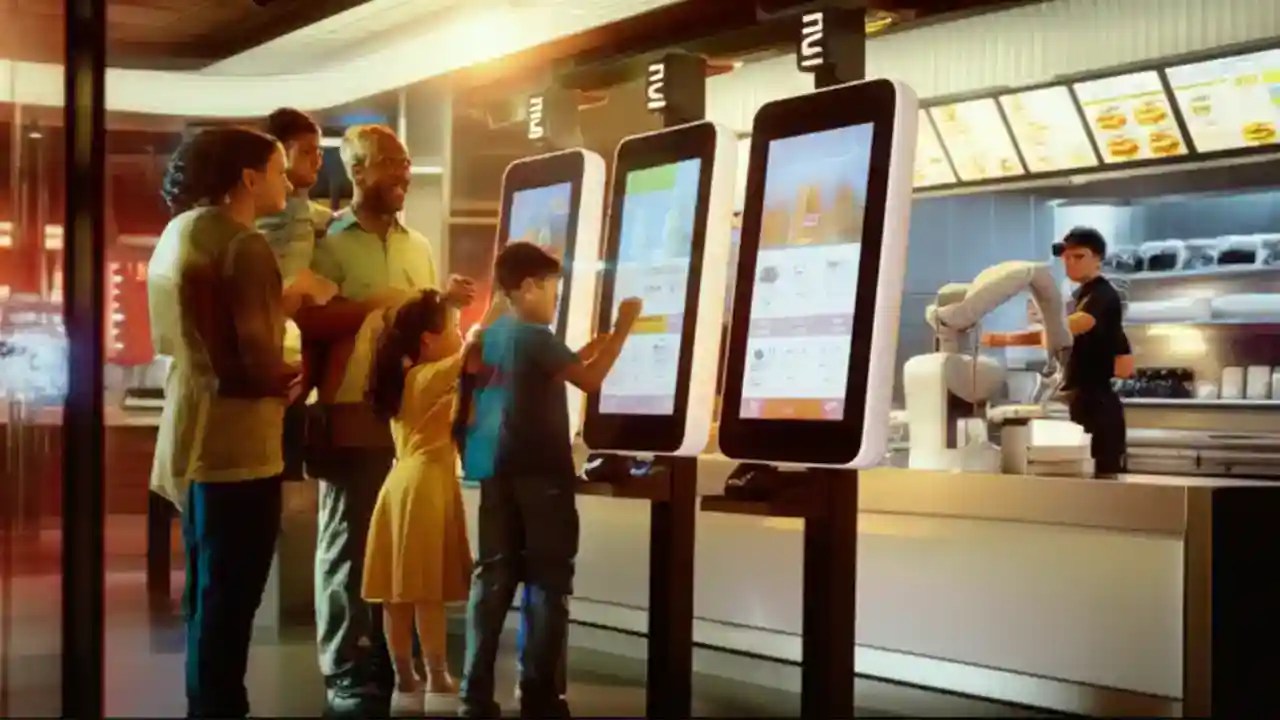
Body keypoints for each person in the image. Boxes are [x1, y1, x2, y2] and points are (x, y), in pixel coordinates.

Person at [307, 123, 476, 711]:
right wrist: (370, 307)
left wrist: (446, 305)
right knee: (348, 541)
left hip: (408, 420)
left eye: (406, 162)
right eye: (391, 162)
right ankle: (345, 665)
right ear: (357, 171)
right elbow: (306, 321)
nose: (404, 172)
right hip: (350, 412)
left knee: (398, 548)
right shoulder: (327, 243)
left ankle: (390, 661)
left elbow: (419, 330)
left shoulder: (418, 246)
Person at [147, 126, 300, 718]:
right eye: (280, 170)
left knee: (205, 600)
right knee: (232, 605)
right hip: (240, 449)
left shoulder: (180, 232)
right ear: (248, 178)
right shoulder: (244, 244)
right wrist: (298, 372)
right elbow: (253, 364)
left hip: (191, 434)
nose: (288, 184)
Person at [458, 242, 642, 719]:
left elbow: (544, 374)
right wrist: (624, 327)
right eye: (552, 291)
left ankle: (474, 694)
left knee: (492, 581)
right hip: (542, 474)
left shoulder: (494, 335)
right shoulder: (535, 334)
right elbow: (590, 381)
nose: (555, 302)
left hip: (496, 472)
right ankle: (539, 694)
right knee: (546, 582)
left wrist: (589, 349)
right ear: (527, 287)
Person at [361, 291, 507, 715]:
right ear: (428, 339)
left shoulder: (410, 382)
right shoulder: (424, 378)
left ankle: (405, 678)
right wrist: (499, 302)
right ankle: (437, 674)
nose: (459, 333)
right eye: (453, 327)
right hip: (424, 487)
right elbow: (471, 352)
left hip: (400, 485)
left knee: (397, 592)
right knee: (426, 590)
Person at [985, 227, 1128, 477]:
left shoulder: (1103, 295)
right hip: (1080, 402)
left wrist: (1005, 338)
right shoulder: (1079, 297)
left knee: (1101, 482)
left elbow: (1068, 329)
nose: (1071, 263)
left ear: (1098, 258)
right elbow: (1124, 362)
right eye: (1067, 258)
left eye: (1079, 256)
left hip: (1097, 408)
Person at [259, 107, 335, 483]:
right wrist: (307, 286)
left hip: (290, 354)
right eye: (306, 151)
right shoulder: (270, 212)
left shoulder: (306, 211)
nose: (317, 160)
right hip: (270, 354)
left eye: (318, 151)